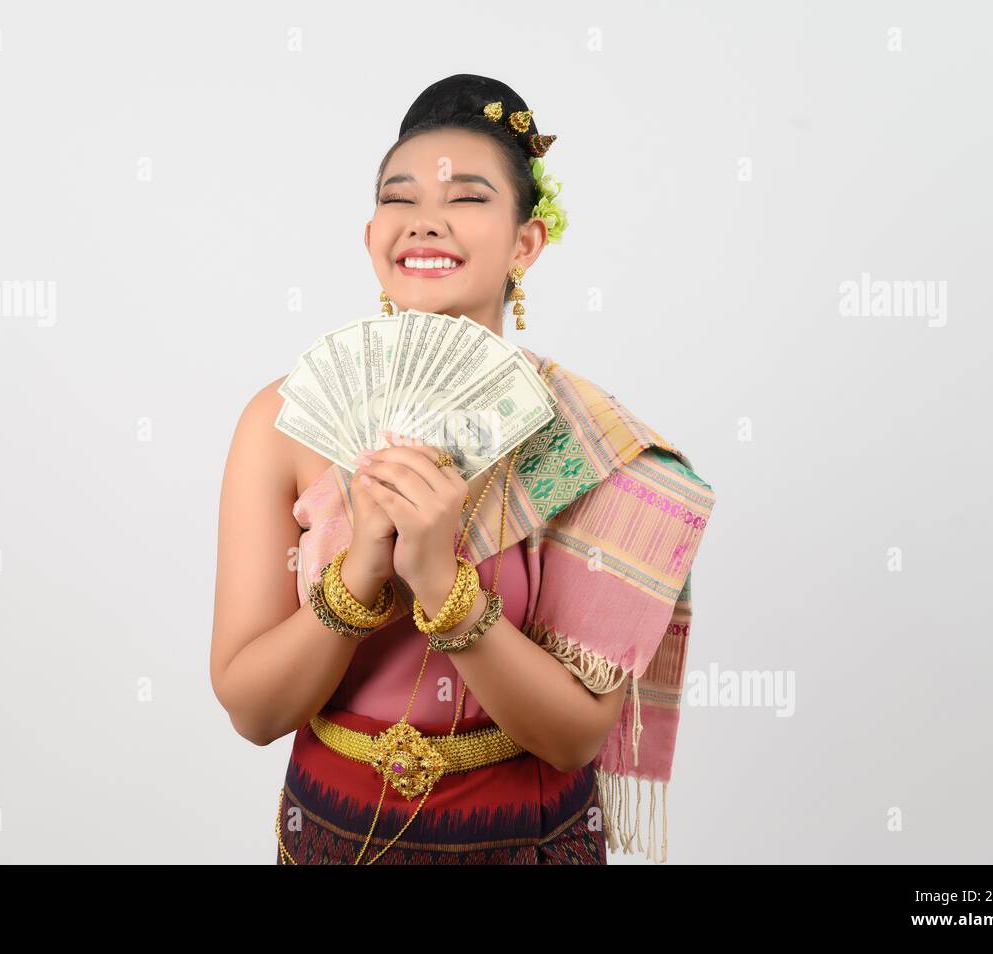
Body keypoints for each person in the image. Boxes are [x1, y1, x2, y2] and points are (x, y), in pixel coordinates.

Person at [210, 74, 717, 864]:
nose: (426, 222)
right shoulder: (284, 423)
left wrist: (443, 590)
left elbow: (574, 736)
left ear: (526, 242)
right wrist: (362, 572)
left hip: (528, 841)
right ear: (371, 232)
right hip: (333, 835)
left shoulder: (585, 444)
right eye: (398, 198)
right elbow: (253, 711)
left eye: (469, 199)